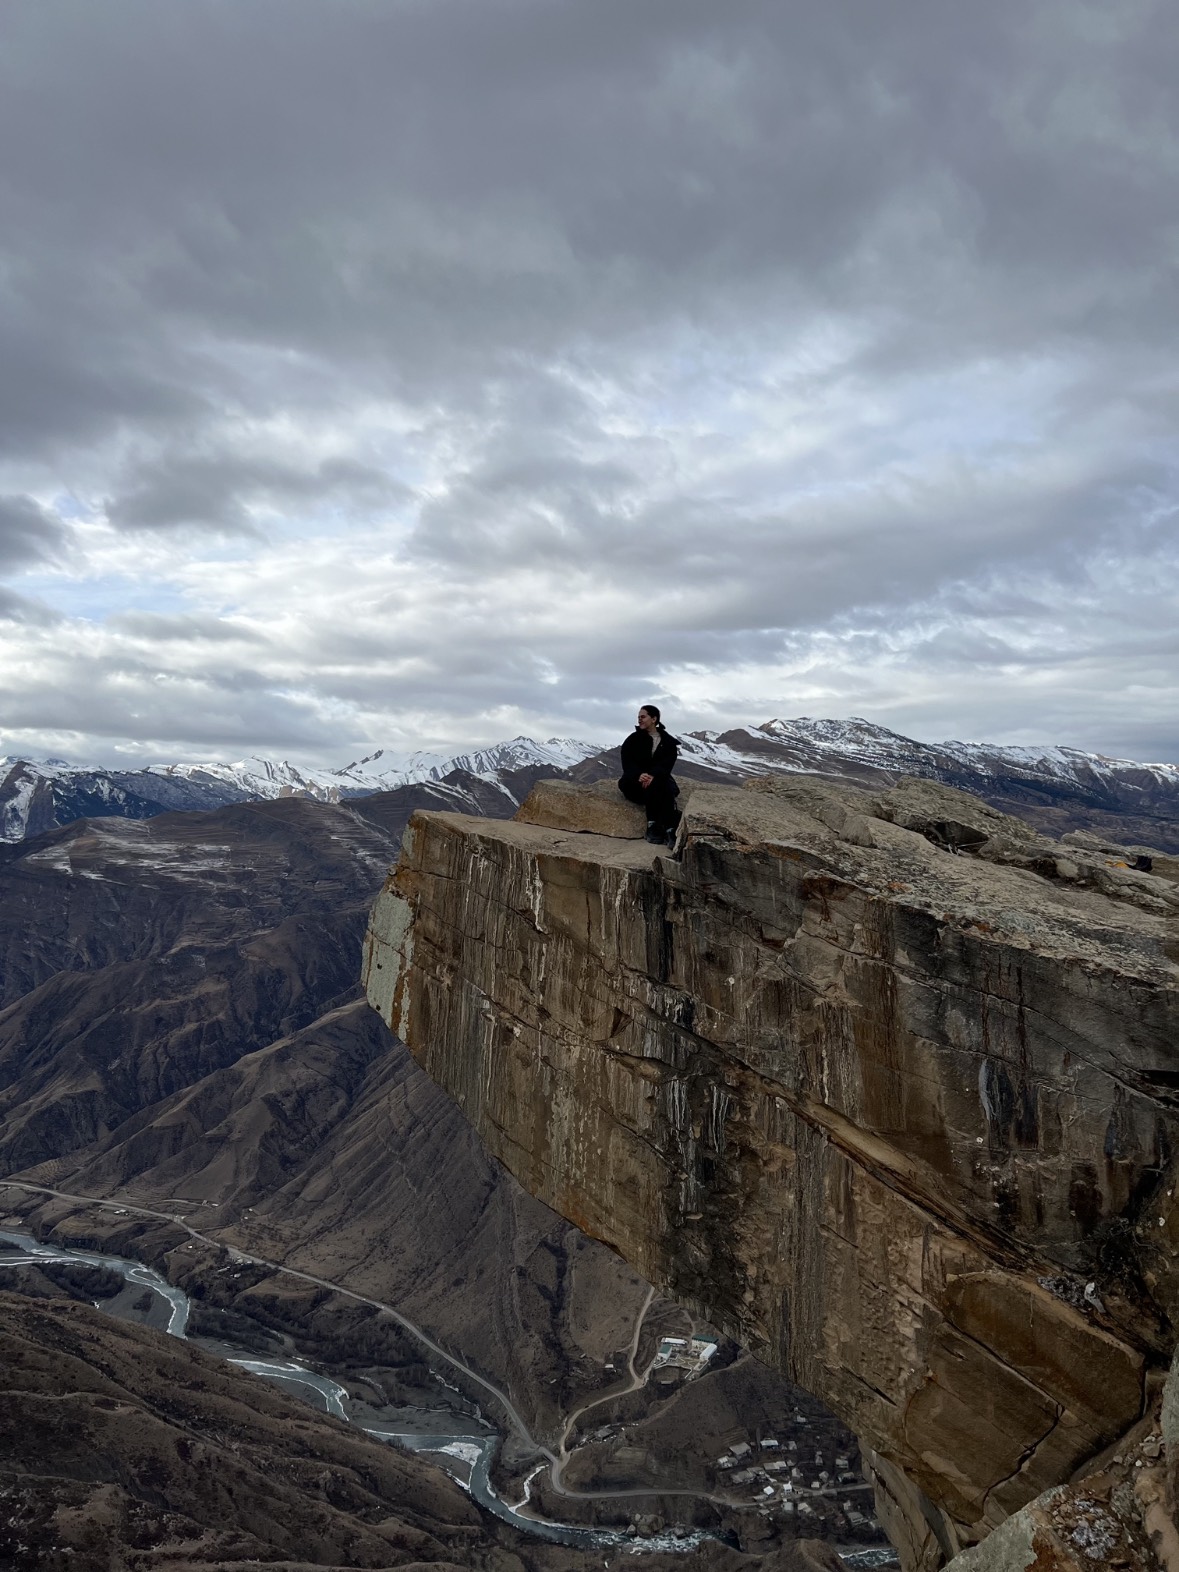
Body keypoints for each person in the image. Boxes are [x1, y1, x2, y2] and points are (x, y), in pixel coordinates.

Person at [619, 705, 681, 845]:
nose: (639, 720)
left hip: (658, 781)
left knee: (662, 786)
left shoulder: (668, 742)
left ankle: (666, 829)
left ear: (654, 719)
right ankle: (659, 826)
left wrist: (653, 775)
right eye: (638, 717)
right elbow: (627, 761)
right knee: (660, 790)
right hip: (634, 784)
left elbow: (667, 764)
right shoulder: (633, 739)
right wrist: (638, 775)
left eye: (643, 717)